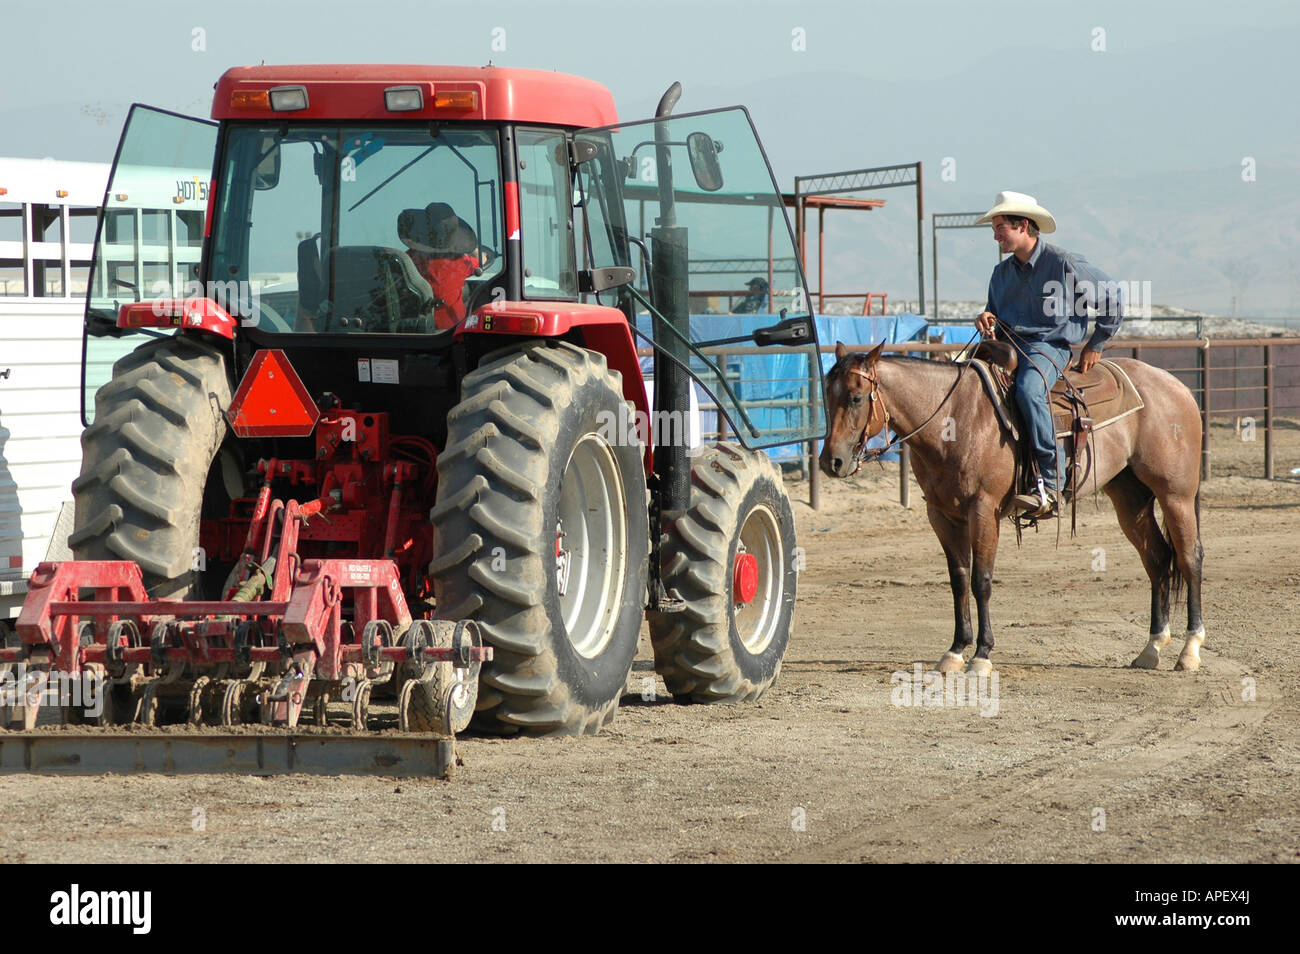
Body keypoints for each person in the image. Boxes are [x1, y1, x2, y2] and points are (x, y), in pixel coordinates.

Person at [973, 191, 1125, 517]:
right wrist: (986, 317)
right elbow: (994, 312)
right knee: (965, 379)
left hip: (1049, 347)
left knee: (1029, 390)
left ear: (1023, 226)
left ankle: (1052, 478)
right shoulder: (1001, 274)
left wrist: (1096, 343)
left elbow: (1112, 295)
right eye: (995, 228)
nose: (996, 235)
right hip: (1007, 346)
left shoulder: (1064, 264)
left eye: (1001, 228)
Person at [397, 202, 489, 330]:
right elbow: (483, 259)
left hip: (416, 329)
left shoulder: (408, 259)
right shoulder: (459, 262)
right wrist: (471, 247)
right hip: (453, 330)